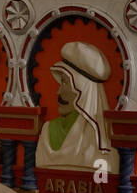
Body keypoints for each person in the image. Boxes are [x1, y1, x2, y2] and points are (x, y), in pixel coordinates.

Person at [35, 40, 119, 173]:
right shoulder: (48, 129)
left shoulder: (105, 144)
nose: (59, 92)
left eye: (64, 82)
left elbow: (103, 179)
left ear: (83, 90)